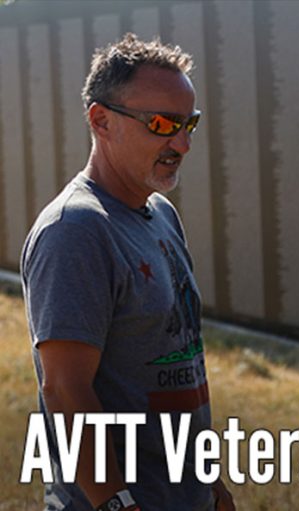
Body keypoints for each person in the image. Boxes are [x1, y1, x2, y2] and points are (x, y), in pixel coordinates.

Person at [21, 34, 234, 511]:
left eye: (188, 124)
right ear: (101, 121)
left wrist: (211, 484)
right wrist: (117, 504)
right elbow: (64, 389)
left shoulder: (160, 214)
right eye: (161, 124)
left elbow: (182, 364)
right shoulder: (75, 230)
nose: (181, 143)